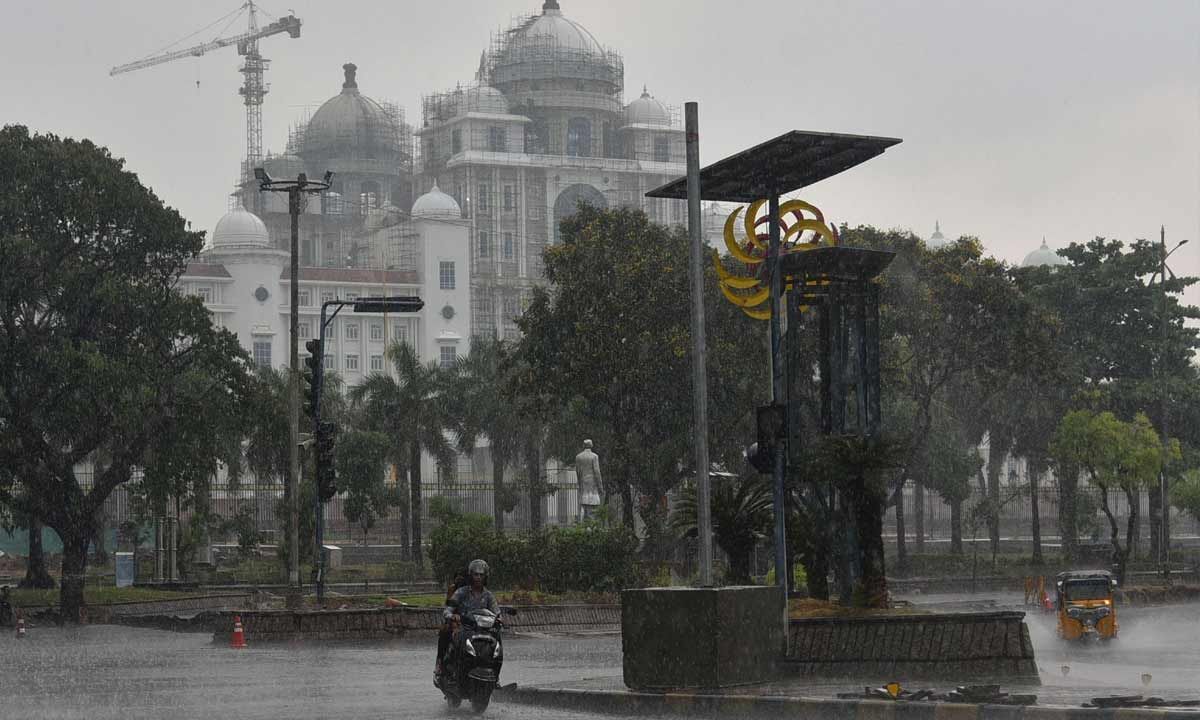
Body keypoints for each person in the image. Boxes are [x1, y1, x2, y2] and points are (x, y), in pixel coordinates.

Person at [435, 564, 471, 682]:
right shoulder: (453, 589)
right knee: (444, 633)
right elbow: (450, 607)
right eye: (458, 578)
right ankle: (440, 664)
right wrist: (454, 621)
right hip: (455, 620)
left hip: (472, 622)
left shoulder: (476, 591)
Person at [575, 439, 602, 521]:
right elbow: (597, 472)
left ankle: (584, 521)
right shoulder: (594, 456)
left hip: (583, 482)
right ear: (591, 445)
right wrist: (600, 486)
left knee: (584, 502)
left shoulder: (578, 457)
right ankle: (591, 522)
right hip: (592, 484)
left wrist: (580, 482)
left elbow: (578, 471)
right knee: (592, 504)